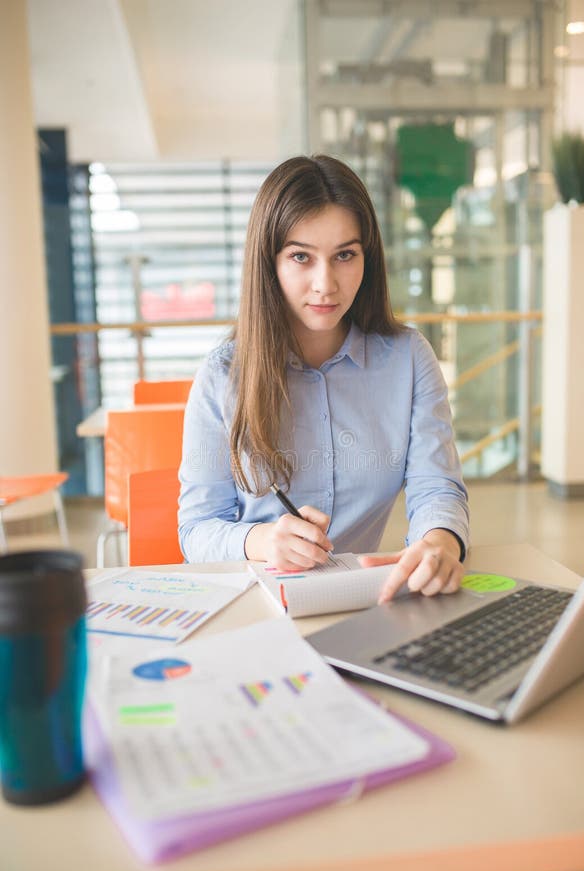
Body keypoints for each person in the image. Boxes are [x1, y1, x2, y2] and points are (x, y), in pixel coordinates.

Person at [178, 154, 469, 602]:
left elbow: (436, 486)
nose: (325, 283)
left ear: (366, 259)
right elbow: (196, 530)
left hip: (365, 602)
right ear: (269, 264)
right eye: (301, 257)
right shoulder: (222, 376)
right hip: (253, 605)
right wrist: (261, 541)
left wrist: (438, 542)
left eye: (344, 255)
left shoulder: (409, 359)